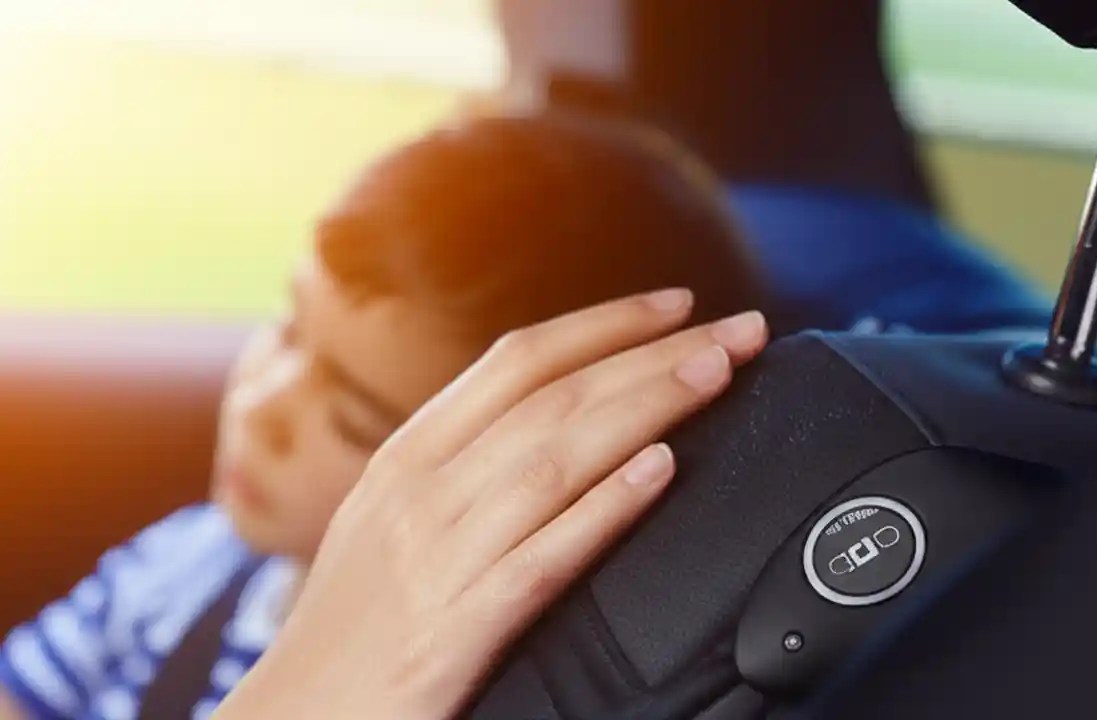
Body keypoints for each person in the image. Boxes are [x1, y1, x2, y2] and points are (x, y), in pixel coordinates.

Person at [0, 110, 769, 719]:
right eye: (289, 329)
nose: (263, 407)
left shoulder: (455, 697)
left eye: (357, 420)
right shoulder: (193, 561)